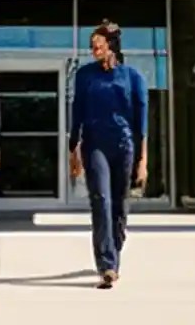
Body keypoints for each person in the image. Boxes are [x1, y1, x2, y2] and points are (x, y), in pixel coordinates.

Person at [68, 19, 148, 289]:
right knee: (101, 200)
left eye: (98, 45)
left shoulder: (132, 77)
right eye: (92, 46)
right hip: (94, 145)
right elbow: (76, 112)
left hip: (124, 145)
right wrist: (73, 150)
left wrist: (143, 161)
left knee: (119, 205)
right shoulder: (85, 75)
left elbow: (142, 125)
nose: (94, 50)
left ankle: (113, 247)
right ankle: (107, 266)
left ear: (111, 46)